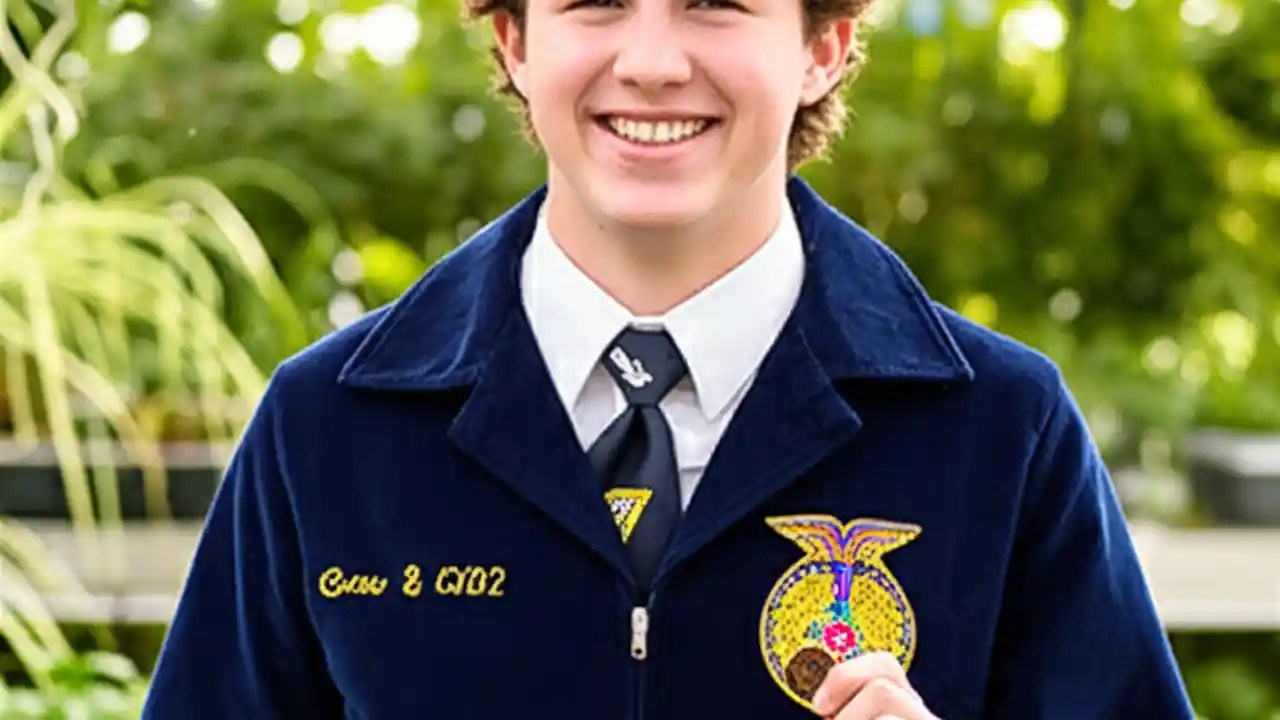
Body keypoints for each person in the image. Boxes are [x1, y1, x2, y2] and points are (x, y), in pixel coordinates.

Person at [140, 0, 1197, 714]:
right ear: (511, 38)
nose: (649, 62)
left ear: (820, 42)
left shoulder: (1000, 429)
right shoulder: (327, 428)